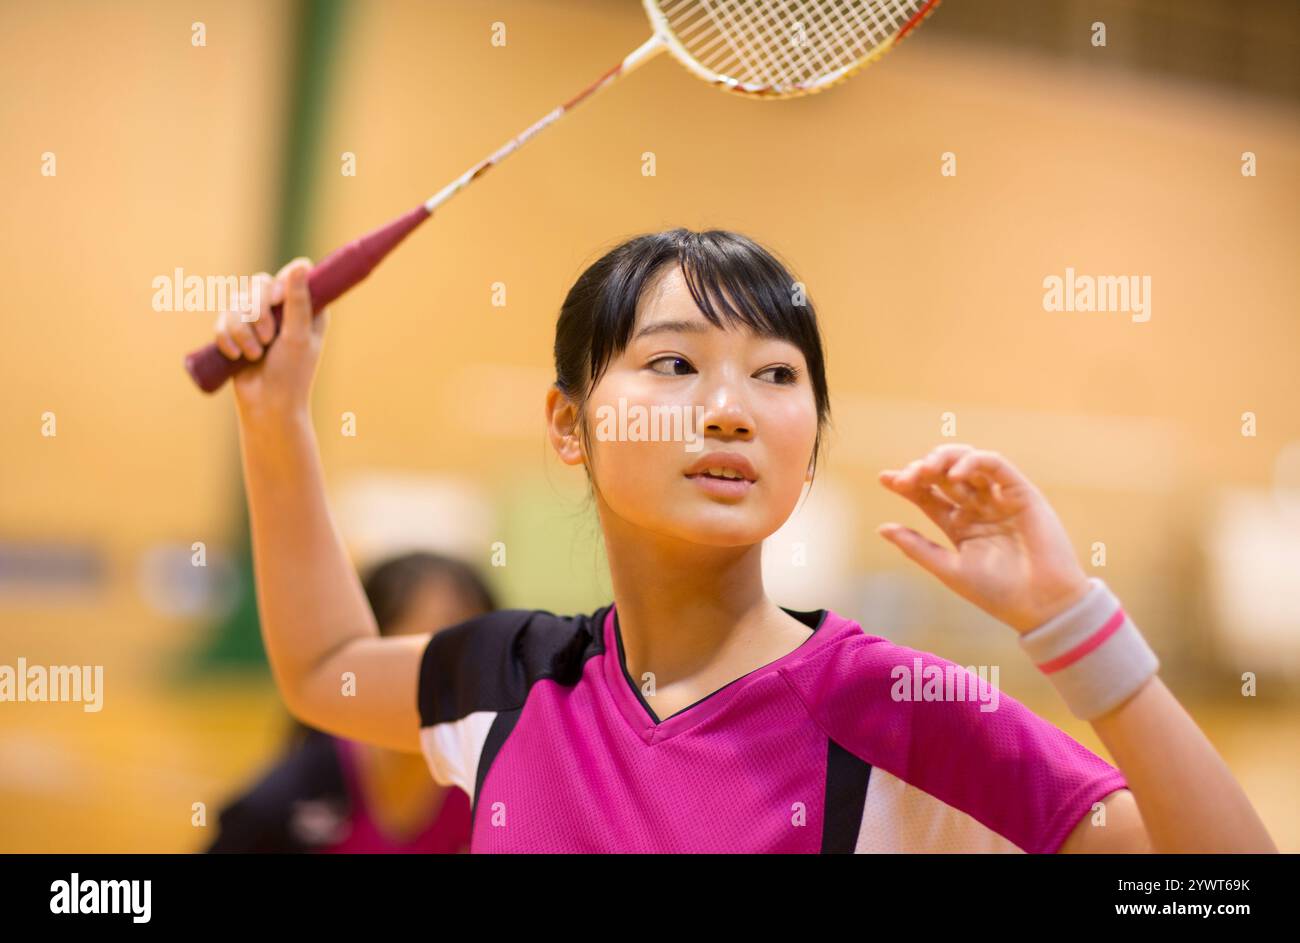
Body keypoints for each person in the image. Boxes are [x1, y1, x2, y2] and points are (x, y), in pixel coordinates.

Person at [209, 228, 1277, 853]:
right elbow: (324, 671)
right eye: (674, 364)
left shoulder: (891, 705)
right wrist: (274, 417)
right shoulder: (512, 678)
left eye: (775, 375)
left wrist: (1072, 624)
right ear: (567, 423)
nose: (731, 409)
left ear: (807, 439)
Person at [205, 551, 494, 853]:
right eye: (436, 649)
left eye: (477, 650)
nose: (460, 675)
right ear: (369, 658)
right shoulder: (290, 796)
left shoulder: (499, 789)